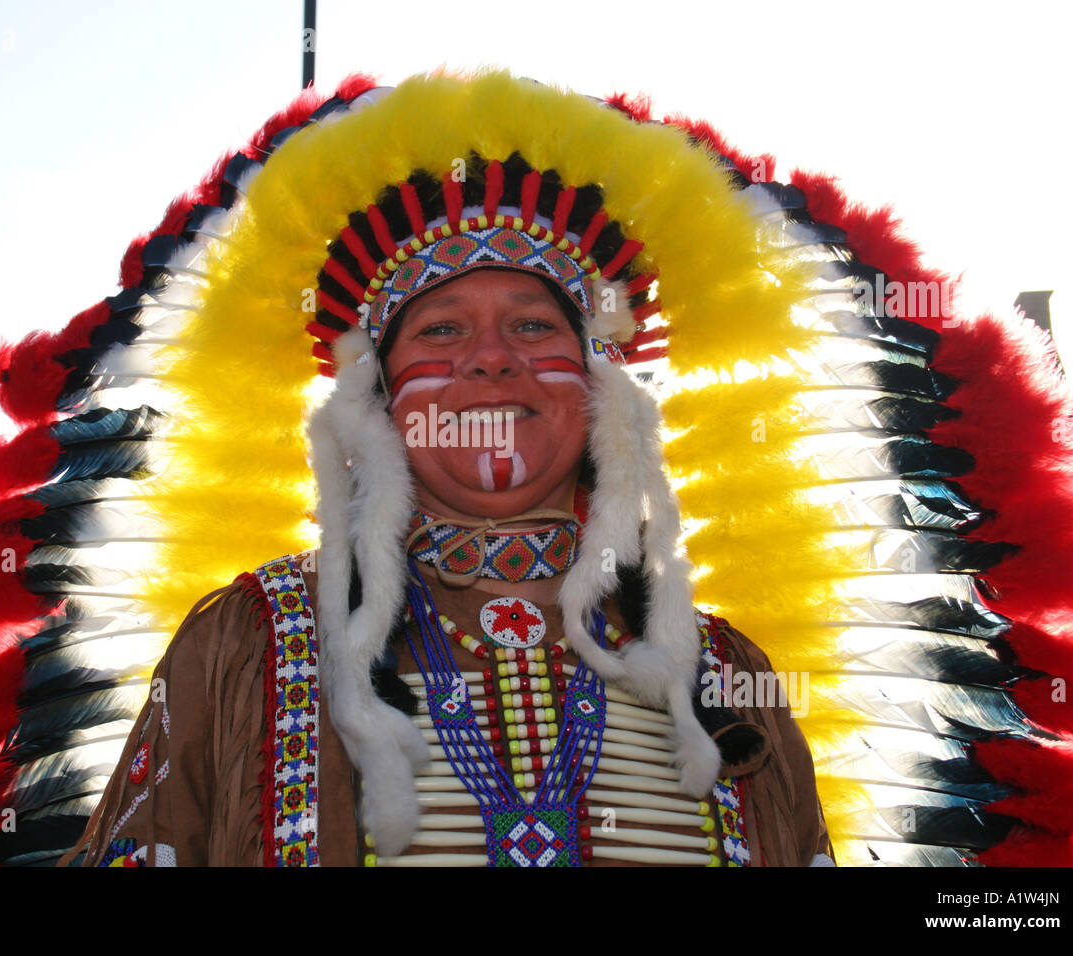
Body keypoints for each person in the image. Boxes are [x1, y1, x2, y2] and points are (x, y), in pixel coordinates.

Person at [61, 152, 832, 867]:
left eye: (533, 326)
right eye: (442, 330)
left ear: (603, 396)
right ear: (381, 402)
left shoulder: (723, 674)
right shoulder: (248, 639)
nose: (491, 358)